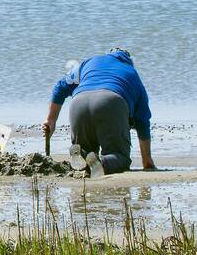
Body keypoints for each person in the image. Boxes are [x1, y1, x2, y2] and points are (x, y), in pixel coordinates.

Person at [43, 48, 155, 178]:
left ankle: (82, 155)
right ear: (129, 61)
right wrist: (147, 161)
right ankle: (100, 162)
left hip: (78, 102)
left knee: (85, 153)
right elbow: (142, 121)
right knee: (119, 157)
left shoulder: (89, 62)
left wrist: (51, 120)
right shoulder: (131, 72)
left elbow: (60, 87)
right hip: (111, 102)